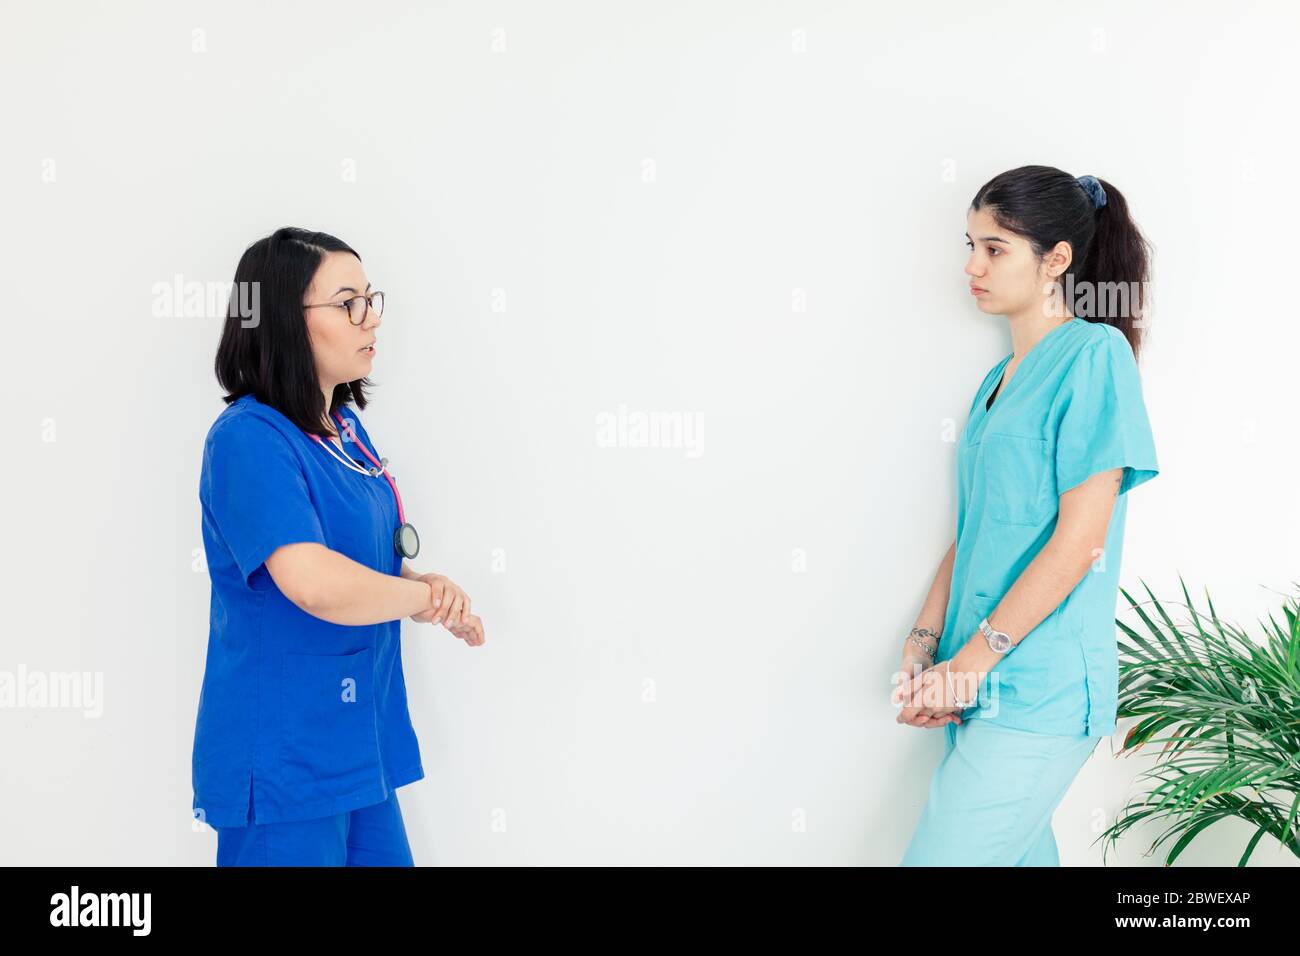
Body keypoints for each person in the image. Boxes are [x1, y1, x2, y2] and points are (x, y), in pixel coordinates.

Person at [191, 226, 486, 866]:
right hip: (285, 764)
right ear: (280, 320)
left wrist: (422, 584)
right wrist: (414, 597)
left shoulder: (346, 431)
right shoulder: (249, 439)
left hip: (360, 749)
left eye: (370, 298)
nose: (369, 319)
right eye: (347, 303)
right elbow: (315, 582)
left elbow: (360, 561)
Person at [893, 168, 1159, 866]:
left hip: (1040, 690)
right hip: (980, 683)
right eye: (970, 245)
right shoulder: (997, 381)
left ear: (1057, 260)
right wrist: (926, 649)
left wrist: (971, 665)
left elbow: (1080, 542)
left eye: (995, 248)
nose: (970, 266)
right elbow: (976, 531)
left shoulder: (1094, 357)